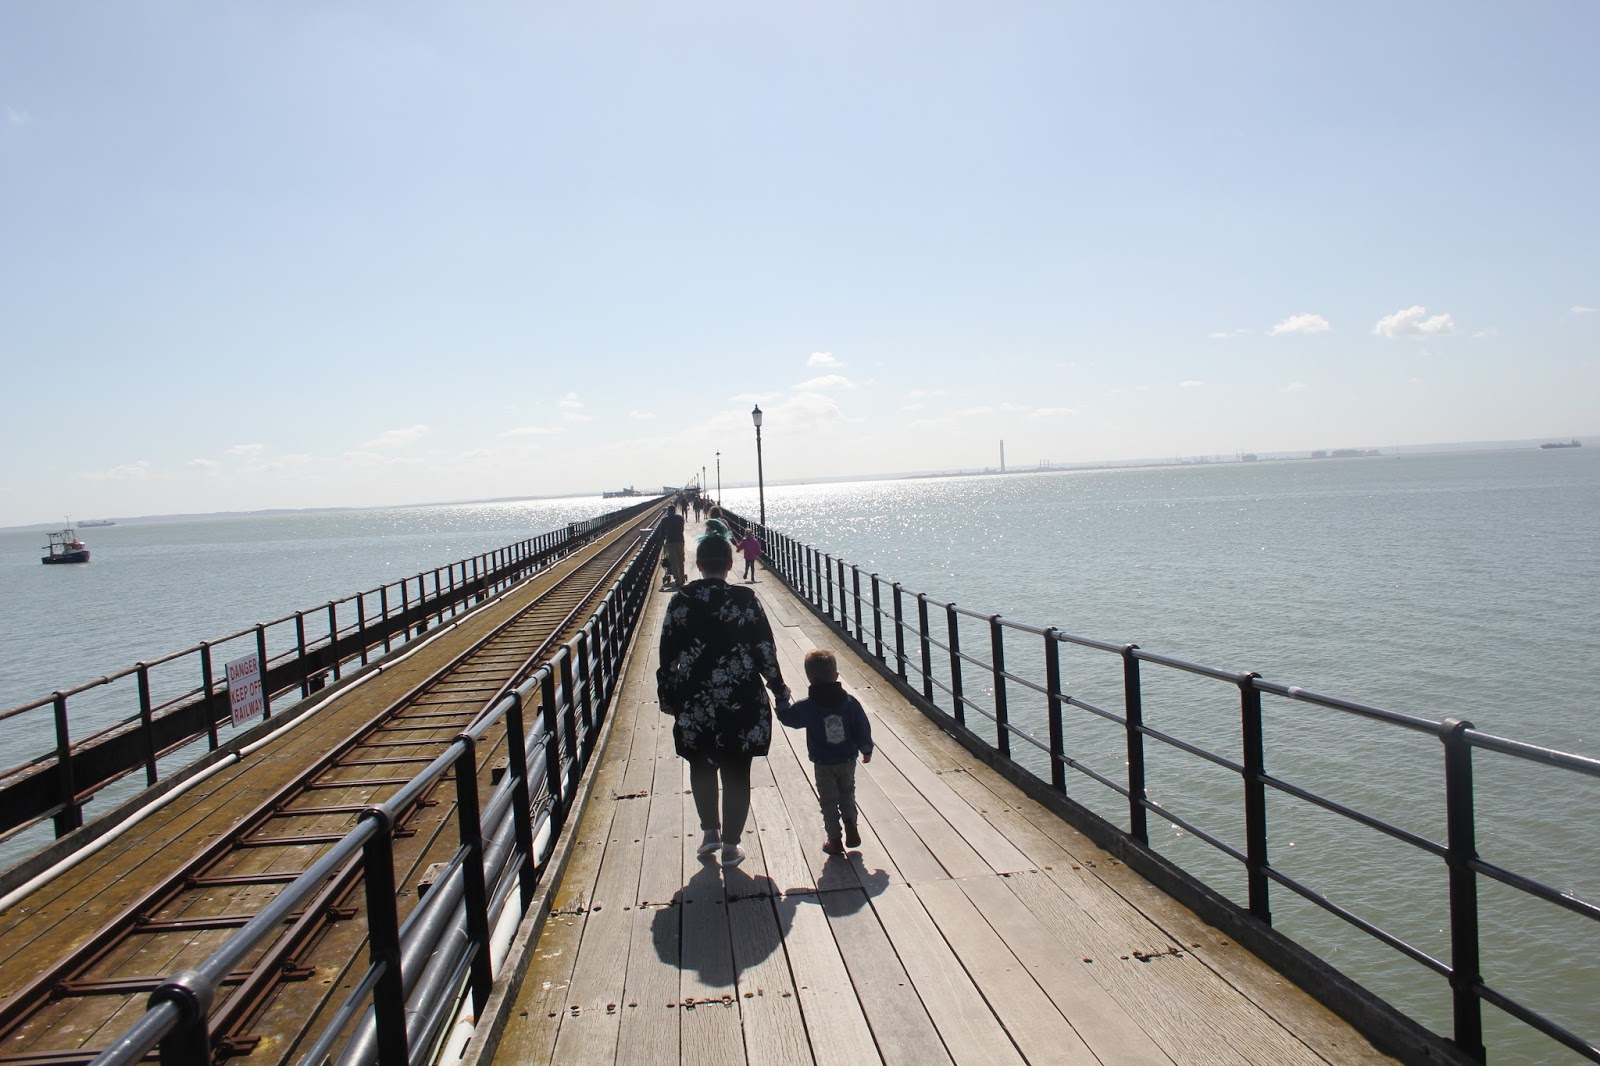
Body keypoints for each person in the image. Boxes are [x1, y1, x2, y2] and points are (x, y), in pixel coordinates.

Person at [657, 534, 791, 867]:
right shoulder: (746, 599)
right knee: (736, 769)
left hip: (695, 698)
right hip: (740, 699)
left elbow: (667, 656)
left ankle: (709, 833)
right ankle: (732, 845)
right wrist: (778, 688)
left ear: (698, 565)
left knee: (700, 764)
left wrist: (668, 698)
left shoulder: (681, 600)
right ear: (730, 565)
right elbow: (764, 650)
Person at [777, 648, 873, 855]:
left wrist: (782, 700)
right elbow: (862, 726)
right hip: (847, 758)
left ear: (810, 679)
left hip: (823, 762)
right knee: (847, 792)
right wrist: (866, 748)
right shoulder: (849, 703)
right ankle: (850, 822)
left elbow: (788, 718)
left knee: (828, 800)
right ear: (836, 676)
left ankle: (834, 839)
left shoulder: (809, 706)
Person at [659, 505, 685, 588]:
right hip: (680, 541)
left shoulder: (664, 520)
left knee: (674, 561)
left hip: (670, 542)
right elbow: (682, 529)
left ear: (668, 511)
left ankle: (678, 580)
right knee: (681, 559)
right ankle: (682, 577)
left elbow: (662, 533)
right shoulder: (680, 518)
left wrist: (663, 539)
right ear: (675, 510)